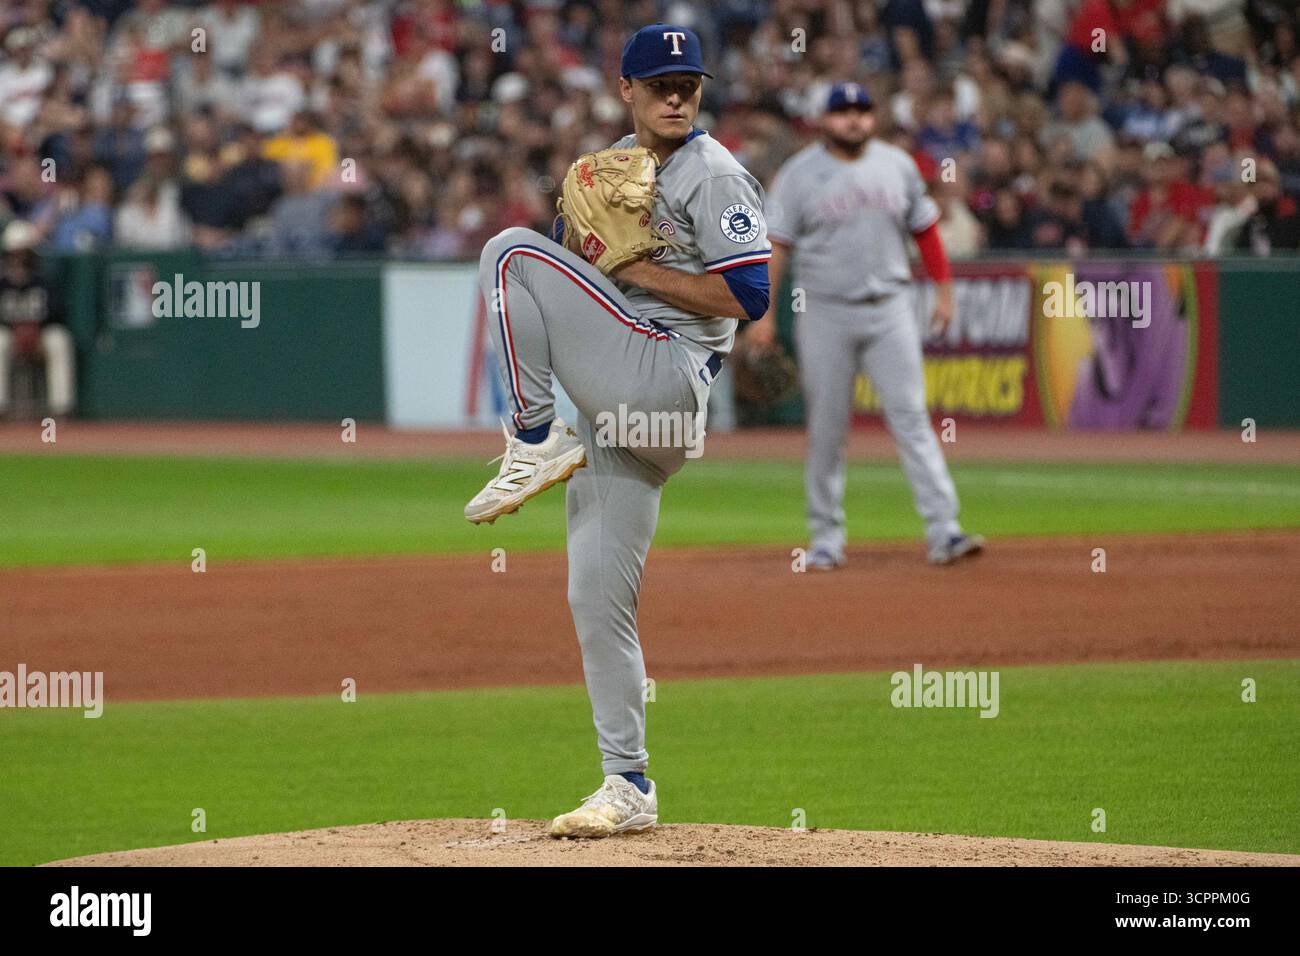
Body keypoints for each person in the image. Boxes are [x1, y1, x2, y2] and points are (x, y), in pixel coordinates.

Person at [463, 25, 771, 838]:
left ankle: (533, 438)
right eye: (660, 83)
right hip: (621, 404)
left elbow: (752, 296)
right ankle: (627, 783)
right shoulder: (609, 170)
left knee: (503, 252)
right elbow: (566, 280)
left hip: (668, 376)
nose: (676, 96)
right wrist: (581, 239)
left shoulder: (716, 174)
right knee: (596, 602)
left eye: (689, 84)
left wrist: (632, 270)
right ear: (627, 90)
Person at [750, 82, 982, 568]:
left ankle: (945, 531)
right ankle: (826, 538)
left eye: (861, 110)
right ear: (824, 120)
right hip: (824, 310)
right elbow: (776, 249)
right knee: (828, 428)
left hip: (890, 305)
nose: (853, 119)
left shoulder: (896, 164)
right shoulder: (797, 175)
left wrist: (943, 290)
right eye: (842, 112)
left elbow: (925, 229)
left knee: (912, 418)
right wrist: (764, 314)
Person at [0, 222, 76, 417]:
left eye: (22, 252)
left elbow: (58, 312)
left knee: (59, 340)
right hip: (10, 333)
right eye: (14, 253)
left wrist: (36, 332)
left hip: (42, 333)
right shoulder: (3, 283)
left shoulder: (44, 281)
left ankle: (61, 407)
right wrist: (18, 332)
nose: (18, 258)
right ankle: (2, 406)